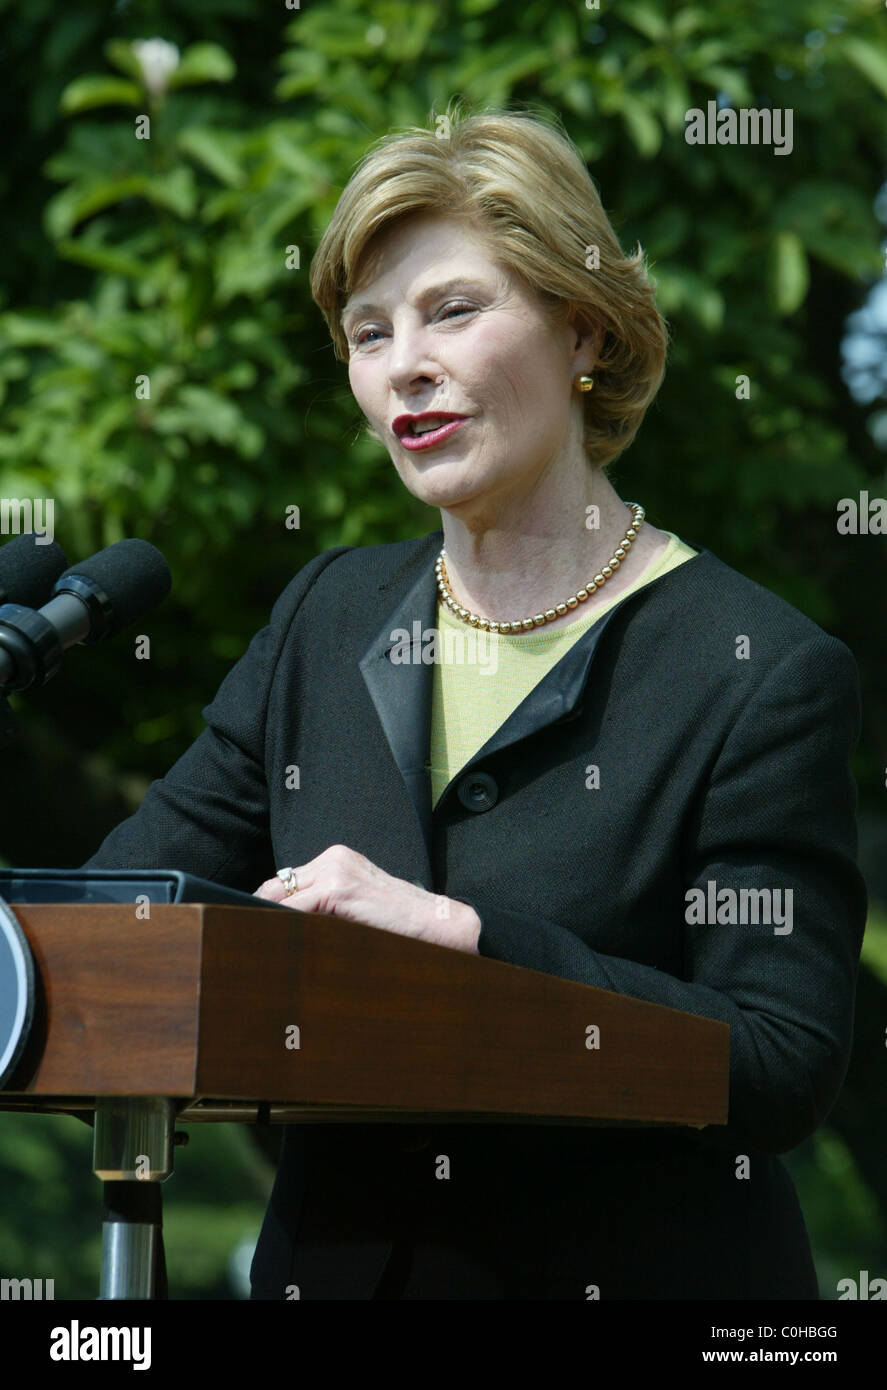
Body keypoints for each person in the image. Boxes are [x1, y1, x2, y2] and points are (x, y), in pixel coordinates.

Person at [80, 105, 866, 1300]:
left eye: (452, 309)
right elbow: (120, 921)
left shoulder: (754, 665)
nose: (404, 363)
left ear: (581, 327)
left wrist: (469, 944)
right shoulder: (325, 618)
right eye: (366, 330)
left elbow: (777, 1061)